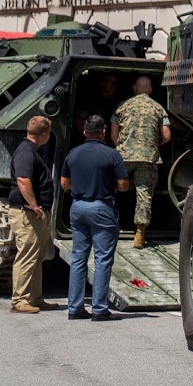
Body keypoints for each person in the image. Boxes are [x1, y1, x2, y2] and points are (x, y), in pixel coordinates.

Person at [61, 114, 129, 321]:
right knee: (102, 260)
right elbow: (124, 185)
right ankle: (99, 309)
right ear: (103, 132)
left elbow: (64, 185)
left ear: (84, 132)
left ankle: (75, 308)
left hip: (78, 207)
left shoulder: (72, 154)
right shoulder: (111, 155)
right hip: (101, 208)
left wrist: (82, 187)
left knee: (79, 259)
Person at [112, 76, 170, 249]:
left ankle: (107, 225)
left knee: (111, 188)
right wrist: (155, 143)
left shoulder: (122, 106)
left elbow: (114, 135)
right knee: (144, 194)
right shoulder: (158, 108)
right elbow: (166, 135)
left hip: (124, 157)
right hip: (148, 157)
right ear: (150, 90)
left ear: (134, 88)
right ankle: (140, 234)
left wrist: (122, 148)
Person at [7, 115, 55, 314]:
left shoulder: (34, 151)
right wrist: (34, 205)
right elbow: (23, 180)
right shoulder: (26, 153)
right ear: (44, 134)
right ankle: (19, 300)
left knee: (37, 257)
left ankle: (35, 298)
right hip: (27, 213)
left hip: (35, 212)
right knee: (26, 256)